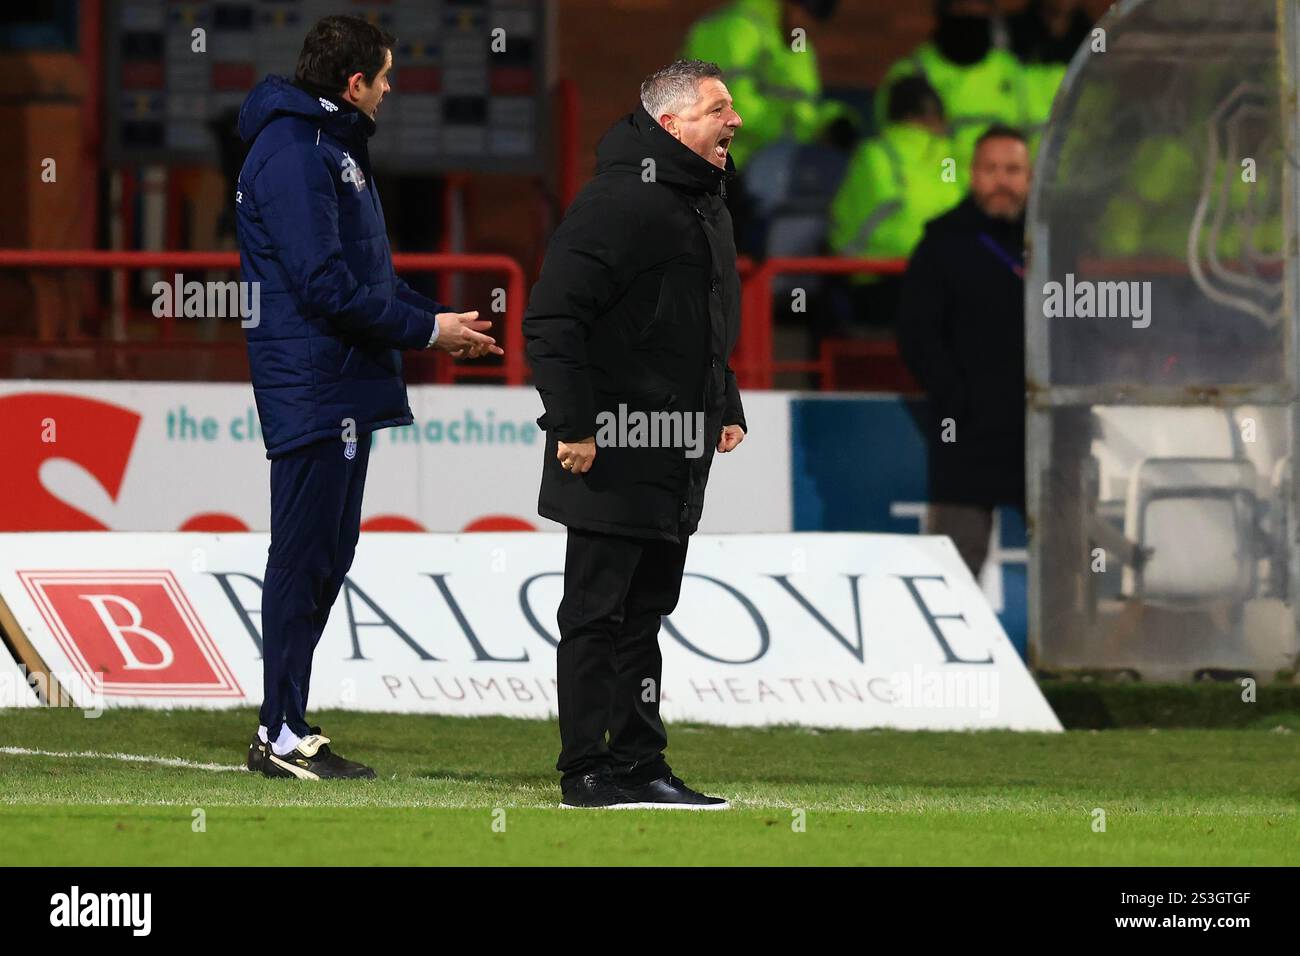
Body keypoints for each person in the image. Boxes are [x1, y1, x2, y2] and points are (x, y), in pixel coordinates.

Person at [236, 15, 501, 780]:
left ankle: (287, 724)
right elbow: (323, 287)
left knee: (328, 553)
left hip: (342, 378)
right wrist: (426, 333)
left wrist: (438, 322)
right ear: (354, 83)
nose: (390, 90)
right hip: (314, 380)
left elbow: (364, 281)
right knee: (303, 555)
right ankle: (278, 733)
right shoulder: (294, 153)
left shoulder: (329, 149)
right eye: (384, 77)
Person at [523, 60, 747, 810]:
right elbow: (554, 318)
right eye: (720, 109)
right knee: (596, 615)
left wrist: (726, 400)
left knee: (646, 615)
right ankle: (586, 770)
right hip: (613, 446)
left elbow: (700, 318)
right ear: (672, 123)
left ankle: (640, 763)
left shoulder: (704, 201)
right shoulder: (617, 200)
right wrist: (573, 423)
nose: (735, 121)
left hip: (677, 448)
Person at [896, 125, 1030, 577]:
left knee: (1066, 570)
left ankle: (1064, 652)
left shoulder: (1051, 244)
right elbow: (917, 334)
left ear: (1030, 178)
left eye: (1013, 170)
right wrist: (955, 396)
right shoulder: (942, 244)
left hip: (1042, 429)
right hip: (968, 433)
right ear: (973, 175)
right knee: (952, 571)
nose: (1002, 181)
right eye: (991, 169)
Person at [828, 75, 962, 331]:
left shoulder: (873, 153)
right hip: (948, 284)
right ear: (931, 114)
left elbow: (841, 225)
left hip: (879, 284)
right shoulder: (954, 155)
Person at [875, 0, 1027, 184]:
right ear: (944, 10)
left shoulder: (1010, 70)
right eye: (961, 9)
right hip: (941, 190)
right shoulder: (911, 74)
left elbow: (1031, 143)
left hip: (1002, 193)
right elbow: (903, 154)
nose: (971, 16)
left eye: (979, 9)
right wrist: (951, 184)